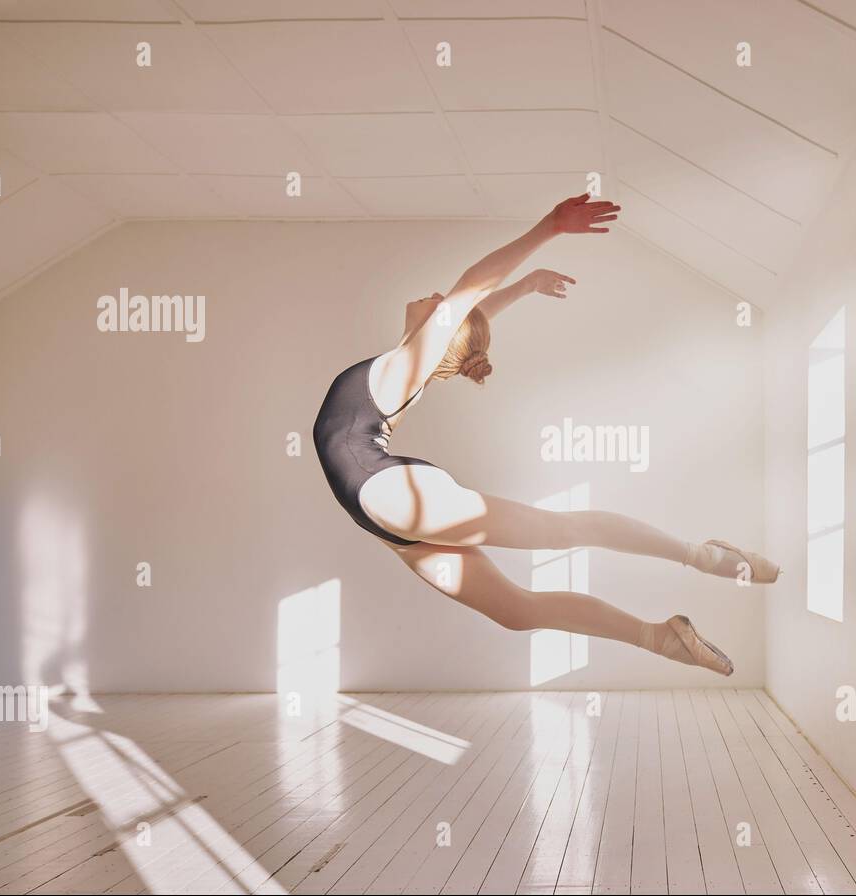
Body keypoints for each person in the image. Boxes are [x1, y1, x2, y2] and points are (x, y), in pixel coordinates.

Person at [313, 195, 779, 676]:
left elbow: (472, 290)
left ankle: (708, 557)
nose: (435, 297)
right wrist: (528, 286)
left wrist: (549, 227)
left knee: (563, 530)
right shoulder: (407, 370)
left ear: (439, 331)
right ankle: (660, 637)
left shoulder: (403, 369)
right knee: (516, 612)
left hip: (398, 499)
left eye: (441, 305)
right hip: (384, 518)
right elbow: (472, 311)